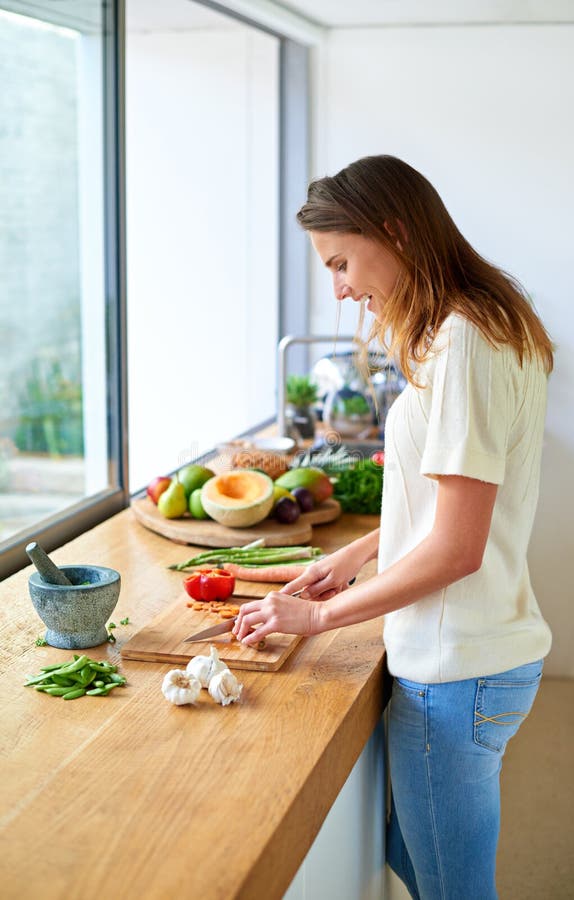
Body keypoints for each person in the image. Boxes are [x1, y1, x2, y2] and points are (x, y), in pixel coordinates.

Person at [233, 154, 553, 899]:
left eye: (341, 262)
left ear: (396, 231)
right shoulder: (484, 320)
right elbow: (457, 502)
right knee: (417, 868)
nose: (340, 289)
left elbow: (456, 548)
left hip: (456, 671)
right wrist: (358, 554)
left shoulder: (466, 340)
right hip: (478, 660)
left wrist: (315, 617)